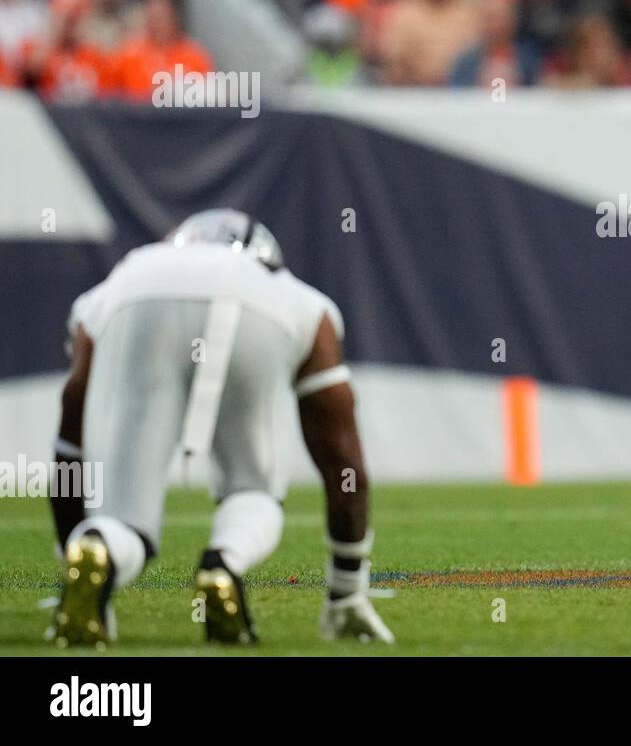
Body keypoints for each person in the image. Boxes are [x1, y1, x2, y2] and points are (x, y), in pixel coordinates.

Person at [49, 210, 393, 647]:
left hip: (137, 300)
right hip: (258, 310)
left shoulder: (122, 278)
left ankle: (98, 548)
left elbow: (69, 440)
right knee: (252, 490)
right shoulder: (296, 298)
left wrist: (69, 557)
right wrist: (347, 589)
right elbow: (344, 461)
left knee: (121, 518)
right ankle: (222, 566)